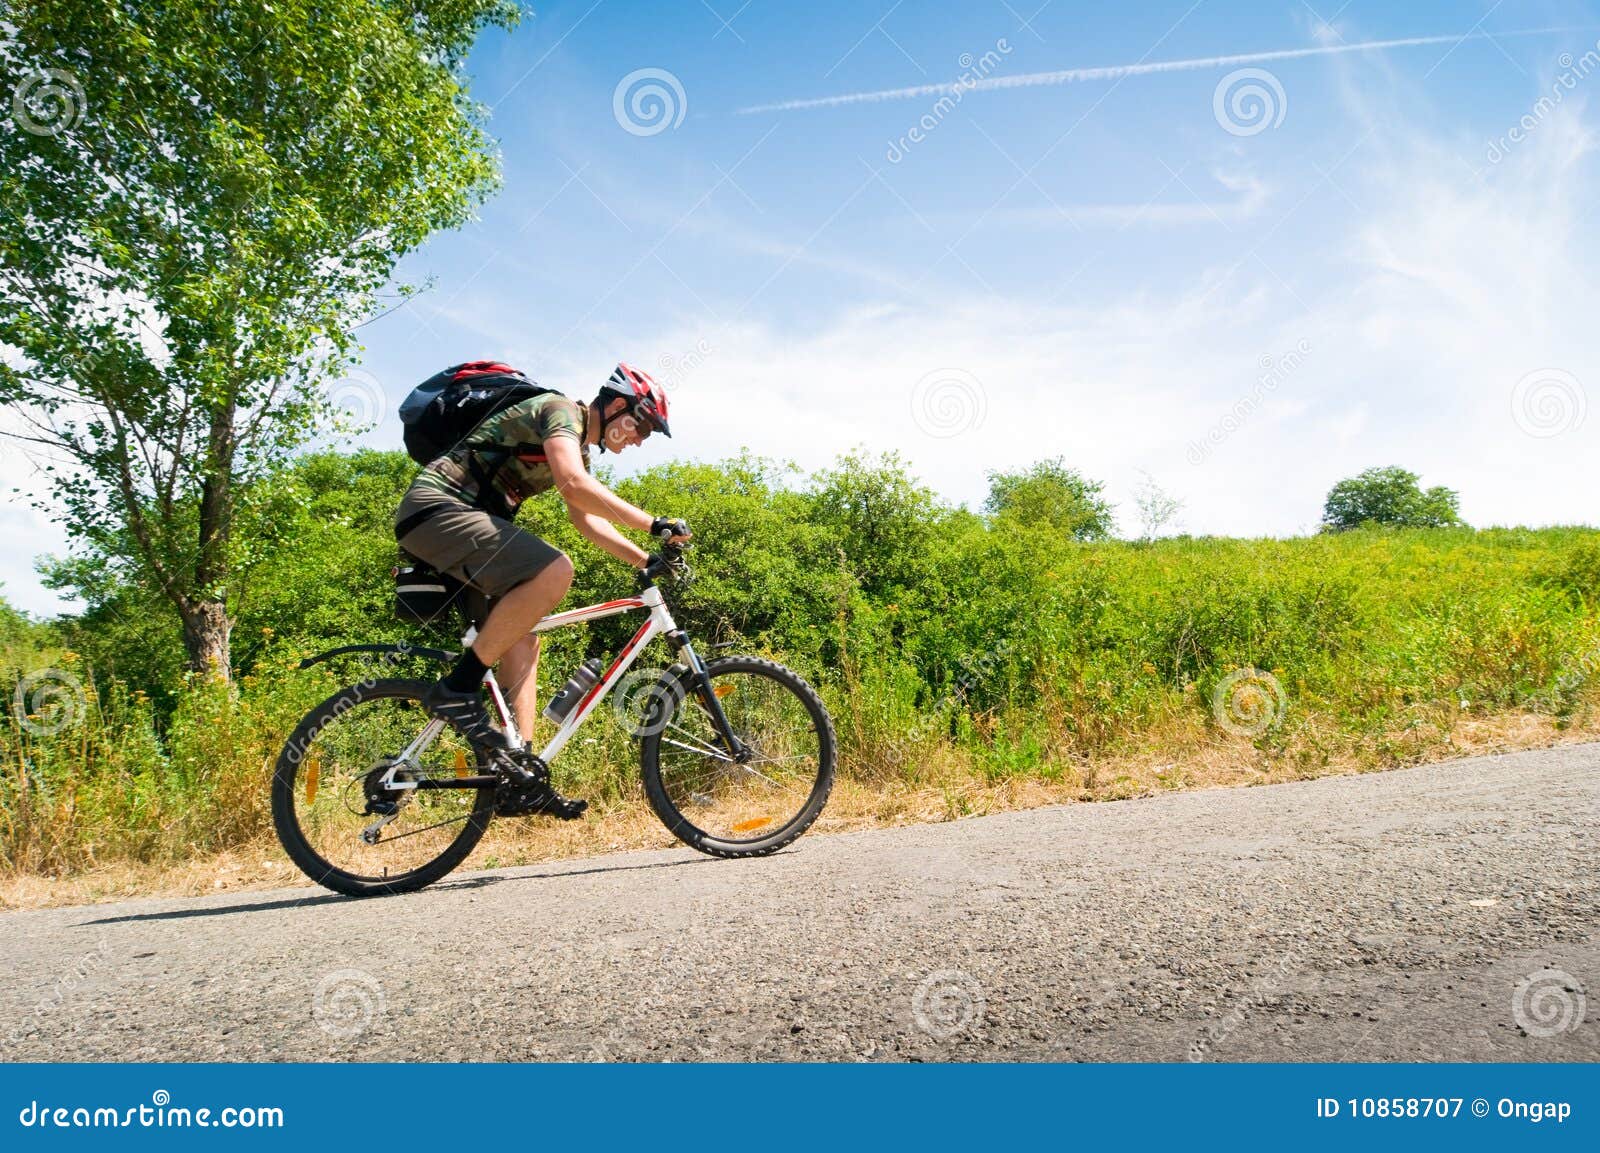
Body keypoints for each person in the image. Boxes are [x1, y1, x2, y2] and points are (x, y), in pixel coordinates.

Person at [392, 362, 690, 819]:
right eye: (641, 425)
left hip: (457, 525)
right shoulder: (559, 412)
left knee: (522, 640)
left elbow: (585, 516)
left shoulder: (577, 447)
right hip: (437, 510)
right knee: (554, 570)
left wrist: (644, 559)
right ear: (615, 406)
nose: (639, 439)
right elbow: (574, 483)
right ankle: (457, 688)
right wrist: (653, 524)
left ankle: (518, 770)